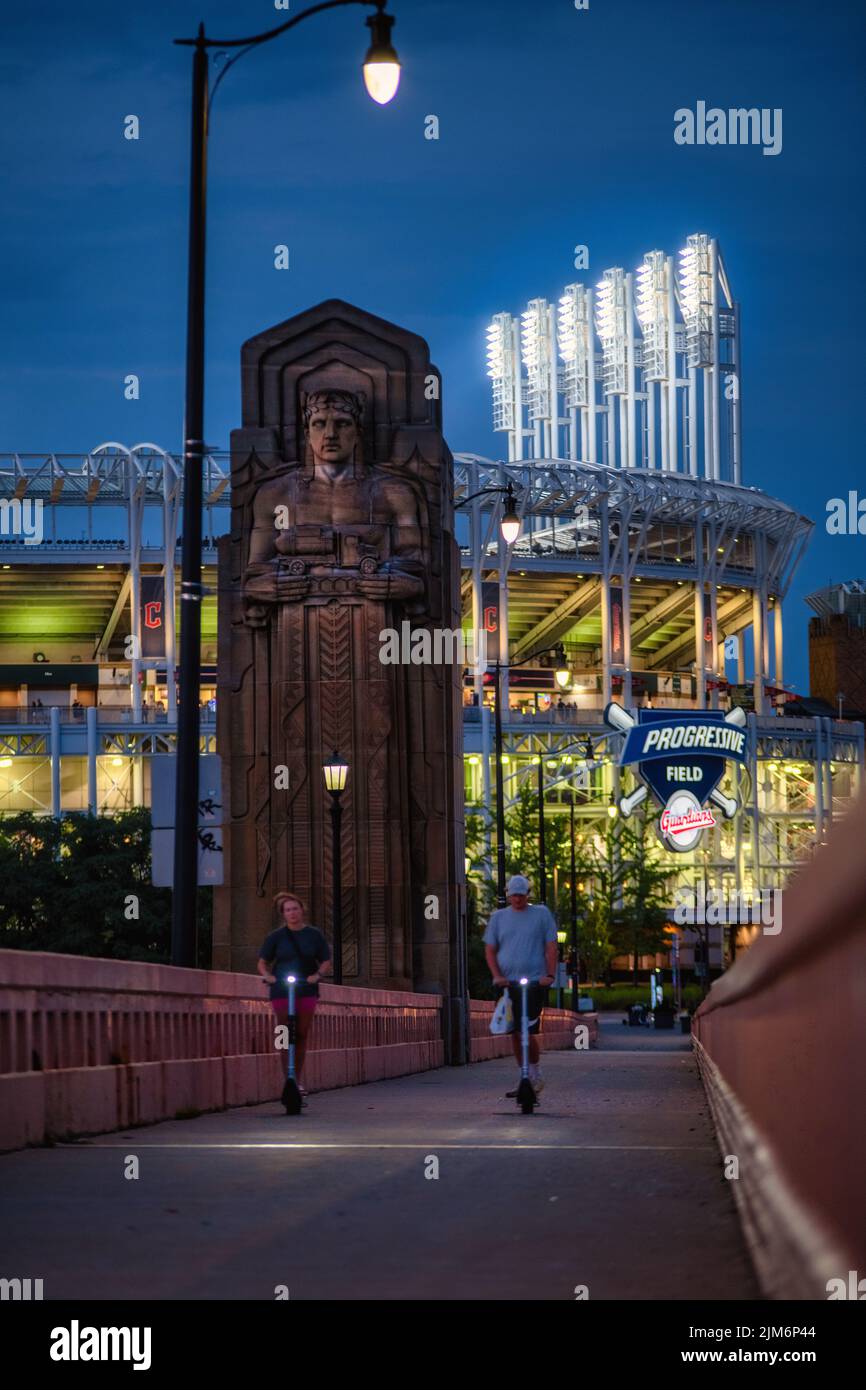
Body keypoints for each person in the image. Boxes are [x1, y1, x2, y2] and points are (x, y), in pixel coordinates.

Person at [483, 874, 558, 1098]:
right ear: (508, 895)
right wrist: (497, 975)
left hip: (534, 981)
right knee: (514, 1032)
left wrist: (550, 974)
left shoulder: (541, 914)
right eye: (514, 895)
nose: (517, 899)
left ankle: (535, 1074)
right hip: (508, 984)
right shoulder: (498, 918)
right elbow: (490, 949)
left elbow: (551, 946)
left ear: (528, 894)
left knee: (528, 1029)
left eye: (521, 895)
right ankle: (523, 1076)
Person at [257, 891, 332, 1097]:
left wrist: (317, 975)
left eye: (295, 909)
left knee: (300, 1033)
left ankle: (296, 1079)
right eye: (288, 910)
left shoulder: (314, 935)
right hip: (281, 989)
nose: (292, 913)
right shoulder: (275, 937)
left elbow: (325, 960)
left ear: (302, 910)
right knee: (284, 1034)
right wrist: (268, 976)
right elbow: (262, 962)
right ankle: (287, 1079)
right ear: (283, 914)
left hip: (306, 988)